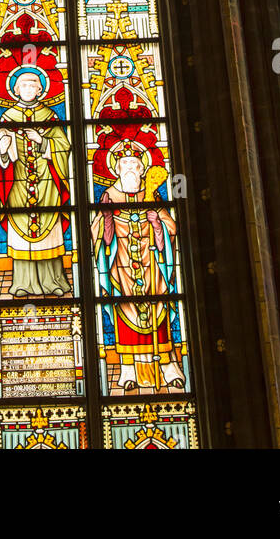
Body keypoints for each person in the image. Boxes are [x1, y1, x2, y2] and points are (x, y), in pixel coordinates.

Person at [92, 145, 184, 392]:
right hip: (121, 268)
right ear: (116, 169)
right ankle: (128, 369)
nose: (130, 169)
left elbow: (171, 228)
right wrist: (108, 220)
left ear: (143, 169)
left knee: (160, 311)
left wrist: (157, 226)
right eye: (125, 165)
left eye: (135, 165)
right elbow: (98, 235)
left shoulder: (152, 196)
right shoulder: (109, 196)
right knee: (125, 312)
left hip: (152, 267)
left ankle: (168, 366)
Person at [0, 66, 71, 296]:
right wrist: (3, 151)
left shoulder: (51, 117)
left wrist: (43, 142)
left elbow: (64, 148)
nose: (28, 89)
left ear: (40, 90)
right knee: (20, 230)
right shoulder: (7, 118)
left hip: (48, 184)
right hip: (18, 183)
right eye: (23, 85)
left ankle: (53, 282)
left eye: (33, 85)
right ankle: (22, 283)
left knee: (49, 230)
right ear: (15, 90)